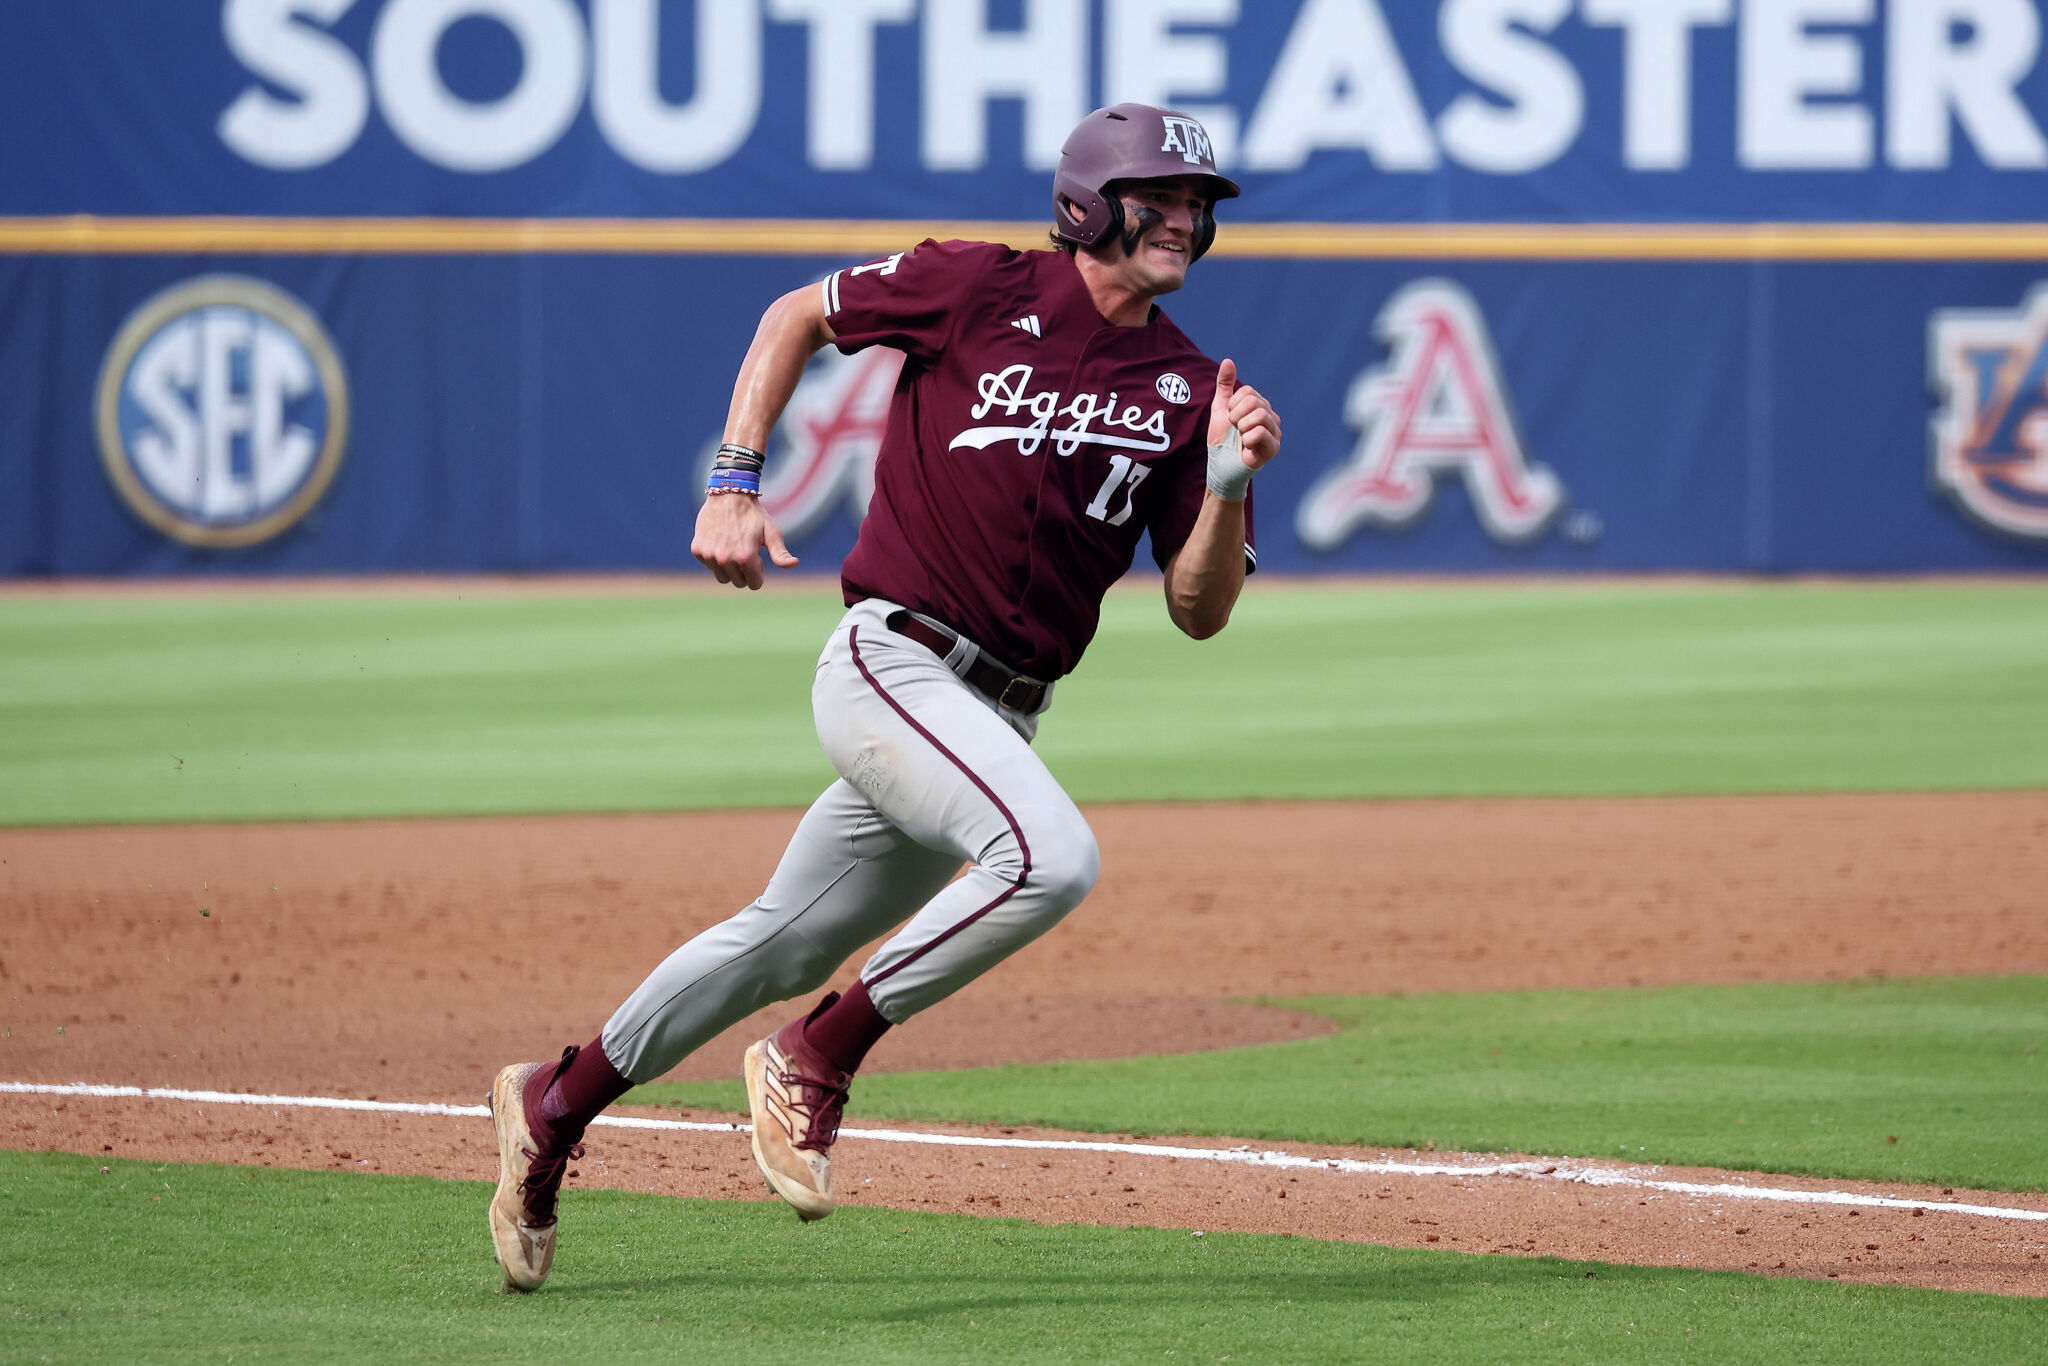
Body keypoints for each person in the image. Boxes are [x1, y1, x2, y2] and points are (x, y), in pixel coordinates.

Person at [486, 103, 1282, 1293]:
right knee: (1050, 858)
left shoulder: (1184, 386)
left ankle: (551, 1104)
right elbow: (796, 315)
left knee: (778, 938)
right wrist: (734, 479)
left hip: (994, 715)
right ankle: (817, 1053)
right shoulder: (971, 284)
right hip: (890, 662)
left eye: (1200, 204)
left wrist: (1223, 488)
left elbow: (1197, 608)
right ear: (1085, 204)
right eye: (1160, 196)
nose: (1186, 218)